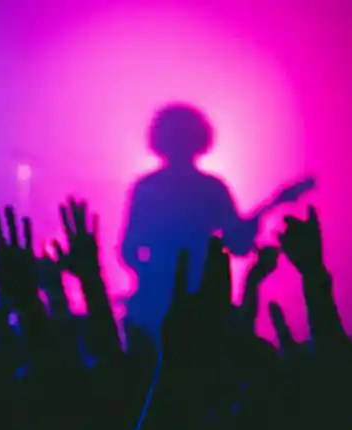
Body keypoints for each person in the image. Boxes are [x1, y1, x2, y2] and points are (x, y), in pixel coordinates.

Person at [120, 103, 313, 334]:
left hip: (177, 302)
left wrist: (149, 275)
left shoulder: (149, 188)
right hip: (199, 300)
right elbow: (238, 243)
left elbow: (128, 249)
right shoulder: (208, 188)